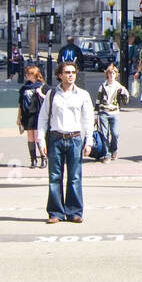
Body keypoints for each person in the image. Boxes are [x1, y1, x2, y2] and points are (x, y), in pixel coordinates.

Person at [36, 60, 95, 224]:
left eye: (73, 72)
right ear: (60, 75)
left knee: (74, 177)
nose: (71, 75)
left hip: (74, 138)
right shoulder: (52, 94)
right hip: (55, 138)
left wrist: (88, 141)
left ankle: (74, 211)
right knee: (55, 177)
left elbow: (88, 119)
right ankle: (55, 212)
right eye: (67, 72)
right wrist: (41, 141)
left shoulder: (82, 95)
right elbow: (43, 118)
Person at [95, 65, 131, 162]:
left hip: (114, 112)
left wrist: (125, 93)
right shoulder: (103, 86)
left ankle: (114, 150)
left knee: (115, 133)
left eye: (113, 73)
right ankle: (106, 154)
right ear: (107, 74)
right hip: (103, 112)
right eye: (110, 73)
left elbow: (125, 102)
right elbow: (98, 101)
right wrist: (95, 114)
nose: (111, 75)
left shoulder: (119, 87)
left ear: (116, 75)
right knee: (104, 134)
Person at [17, 65, 47, 168]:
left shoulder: (42, 86)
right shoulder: (24, 88)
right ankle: (33, 160)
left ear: (35, 74)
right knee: (30, 137)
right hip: (27, 115)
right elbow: (20, 103)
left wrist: (41, 94)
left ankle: (43, 158)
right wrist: (18, 117)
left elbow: (49, 100)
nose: (27, 75)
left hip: (38, 114)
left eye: (29, 74)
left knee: (38, 137)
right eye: (27, 74)